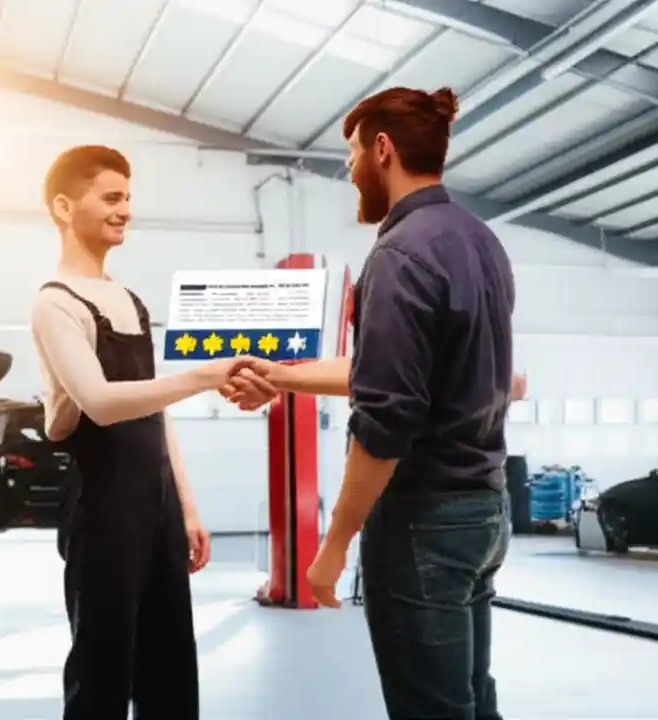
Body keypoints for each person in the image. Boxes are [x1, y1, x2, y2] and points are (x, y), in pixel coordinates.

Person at [223, 87, 520, 720]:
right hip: (484, 510)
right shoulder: (479, 241)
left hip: (424, 521)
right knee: (472, 700)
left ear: (382, 149)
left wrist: (334, 546)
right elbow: (392, 375)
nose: (351, 168)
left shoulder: (400, 253)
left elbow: (386, 421)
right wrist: (283, 376)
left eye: (354, 153)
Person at [29, 145, 244, 720]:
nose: (125, 210)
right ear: (64, 206)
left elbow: (155, 414)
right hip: (101, 508)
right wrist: (200, 376)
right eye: (111, 197)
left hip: (157, 507)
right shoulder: (56, 304)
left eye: (128, 198)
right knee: (102, 671)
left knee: (171, 668)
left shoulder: (130, 301)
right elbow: (99, 402)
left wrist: (187, 508)